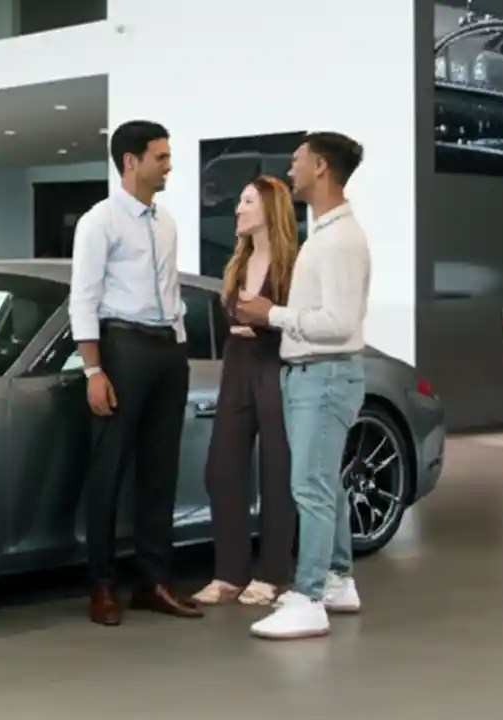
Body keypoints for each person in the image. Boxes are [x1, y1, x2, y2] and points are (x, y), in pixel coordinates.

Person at [234, 131, 370, 640]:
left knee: (308, 487)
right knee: (323, 482)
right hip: (314, 373)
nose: (289, 170)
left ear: (321, 168)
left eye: (297, 161)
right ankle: (337, 579)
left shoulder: (339, 241)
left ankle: (308, 596)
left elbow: (338, 322)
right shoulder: (330, 235)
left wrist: (272, 313)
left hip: (324, 372)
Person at [69, 119, 204, 626]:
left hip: (169, 351)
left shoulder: (165, 222)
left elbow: (171, 293)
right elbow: (82, 298)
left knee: (160, 470)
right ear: (131, 161)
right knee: (108, 471)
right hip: (122, 347)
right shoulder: (99, 221)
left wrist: (181, 349)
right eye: (161, 157)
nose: (168, 166)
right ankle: (101, 586)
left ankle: (154, 582)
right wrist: (93, 371)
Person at [192, 175, 299, 608]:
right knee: (222, 468)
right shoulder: (237, 263)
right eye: (239, 200)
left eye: (248, 201)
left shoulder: (294, 265)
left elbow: (300, 319)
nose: (238, 208)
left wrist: (270, 315)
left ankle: (273, 573)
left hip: (275, 362)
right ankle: (229, 572)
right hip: (236, 364)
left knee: (278, 472)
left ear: (270, 209)